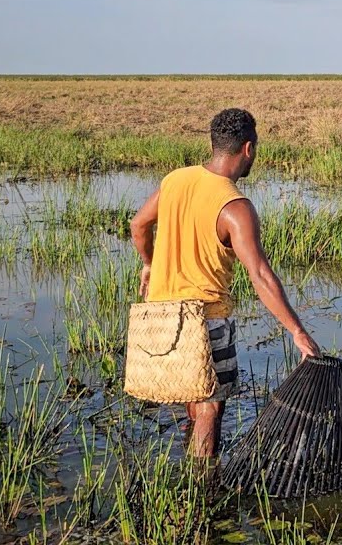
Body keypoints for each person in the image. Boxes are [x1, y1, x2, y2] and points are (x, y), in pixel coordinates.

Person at [129, 107, 320, 458]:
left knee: (192, 392)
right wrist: (296, 331)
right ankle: (203, 481)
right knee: (210, 406)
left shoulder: (175, 180)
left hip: (164, 315)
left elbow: (138, 225)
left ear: (214, 144)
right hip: (207, 317)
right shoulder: (235, 207)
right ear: (248, 148)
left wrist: (149, 263)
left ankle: (191, 463)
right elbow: (260, 274)